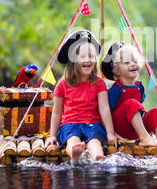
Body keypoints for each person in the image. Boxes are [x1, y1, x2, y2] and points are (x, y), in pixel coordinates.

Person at [45, 29, 117, 163]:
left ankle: (97, 156)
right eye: (83, 57)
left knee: (95, 141)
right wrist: (52, 135)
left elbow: (104, 109)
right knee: (72, 140)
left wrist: (110, 132)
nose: (88, 60)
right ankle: (74, 154)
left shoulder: (99, 83)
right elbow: (56, 113)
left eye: (91, 56)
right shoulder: (63, 85)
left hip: (92, 124)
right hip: (69, 124)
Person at [101, 42, 157, 147]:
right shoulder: (116, 90)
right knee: (132, 104)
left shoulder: (139, 87)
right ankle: (145, 138)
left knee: (156, 112)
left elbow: (139, 111)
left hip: (135, 128)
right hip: (121, 128)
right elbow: (104, 112)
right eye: (127, 62)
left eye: (135, 61)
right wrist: (111, 133)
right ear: (116, 71)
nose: (133, 64)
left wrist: (149, 120)